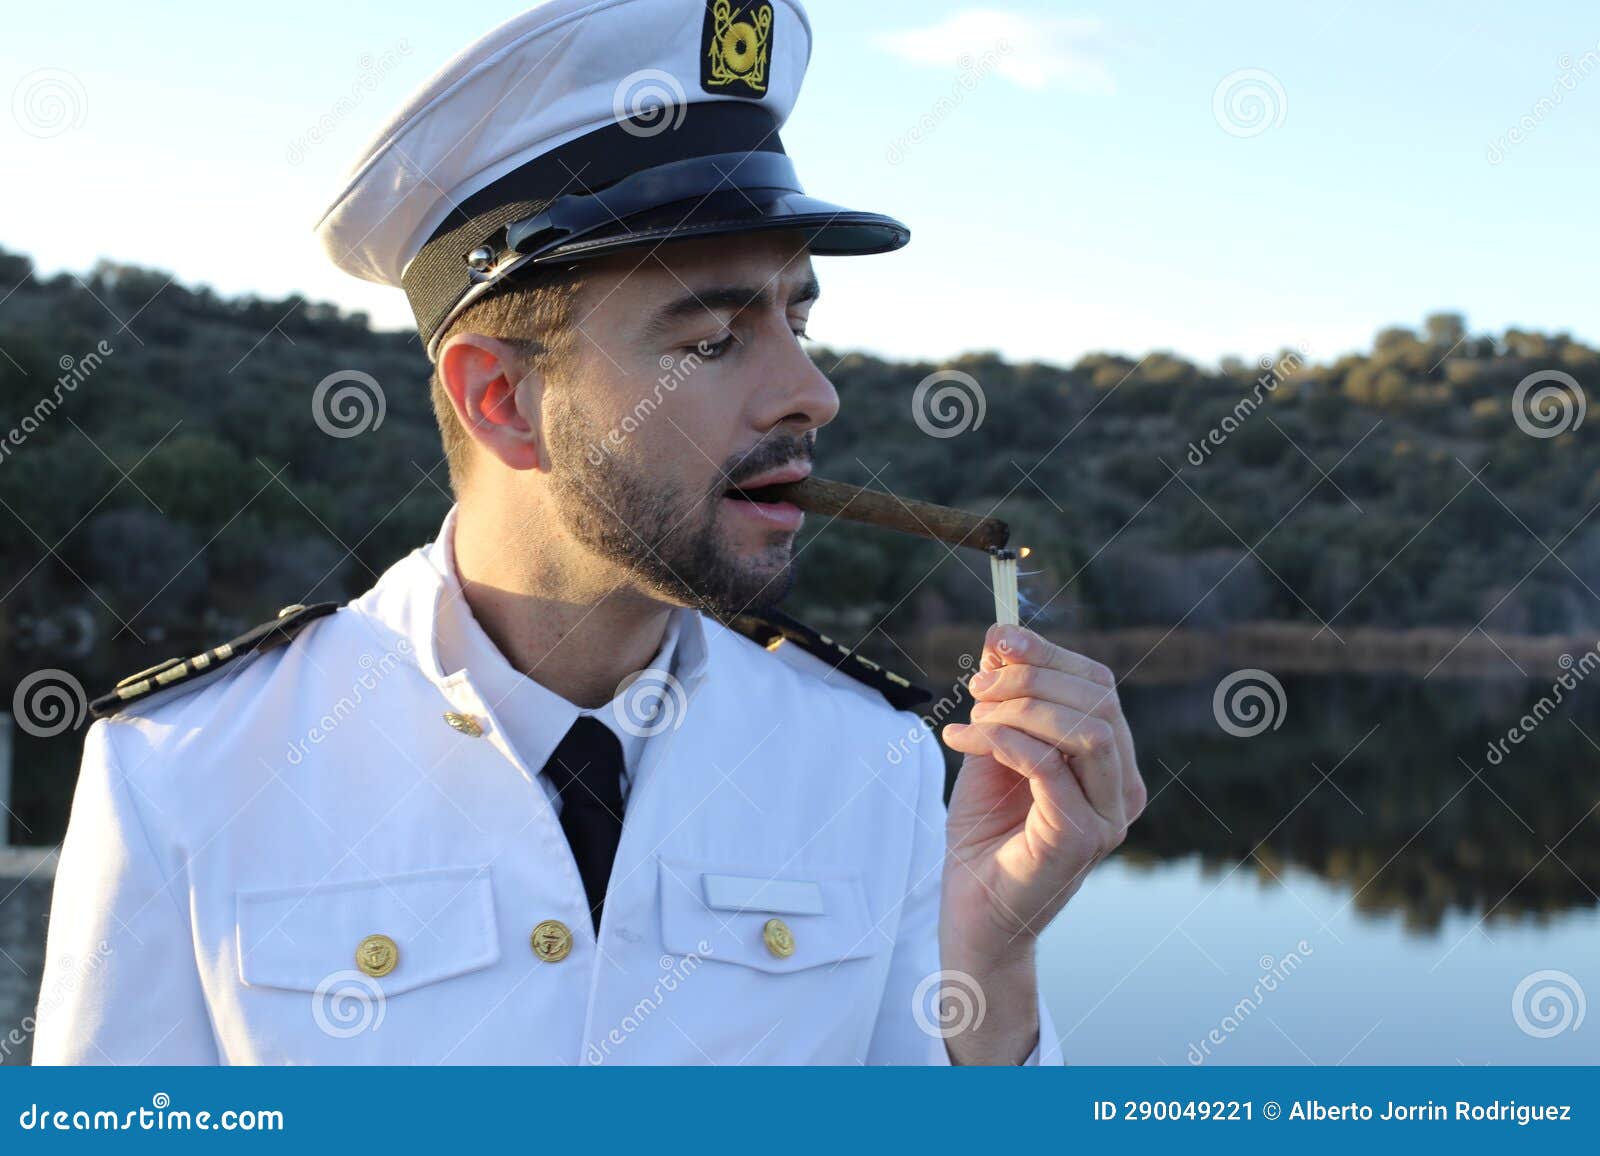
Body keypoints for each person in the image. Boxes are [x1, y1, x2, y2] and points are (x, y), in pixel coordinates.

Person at [33, 0, 1145, 1065]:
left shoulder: (878, 761)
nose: (811, 392)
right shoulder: (182, 769)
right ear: (502, 402)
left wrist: (991, 961)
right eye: (712, 339)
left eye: (797, 318)